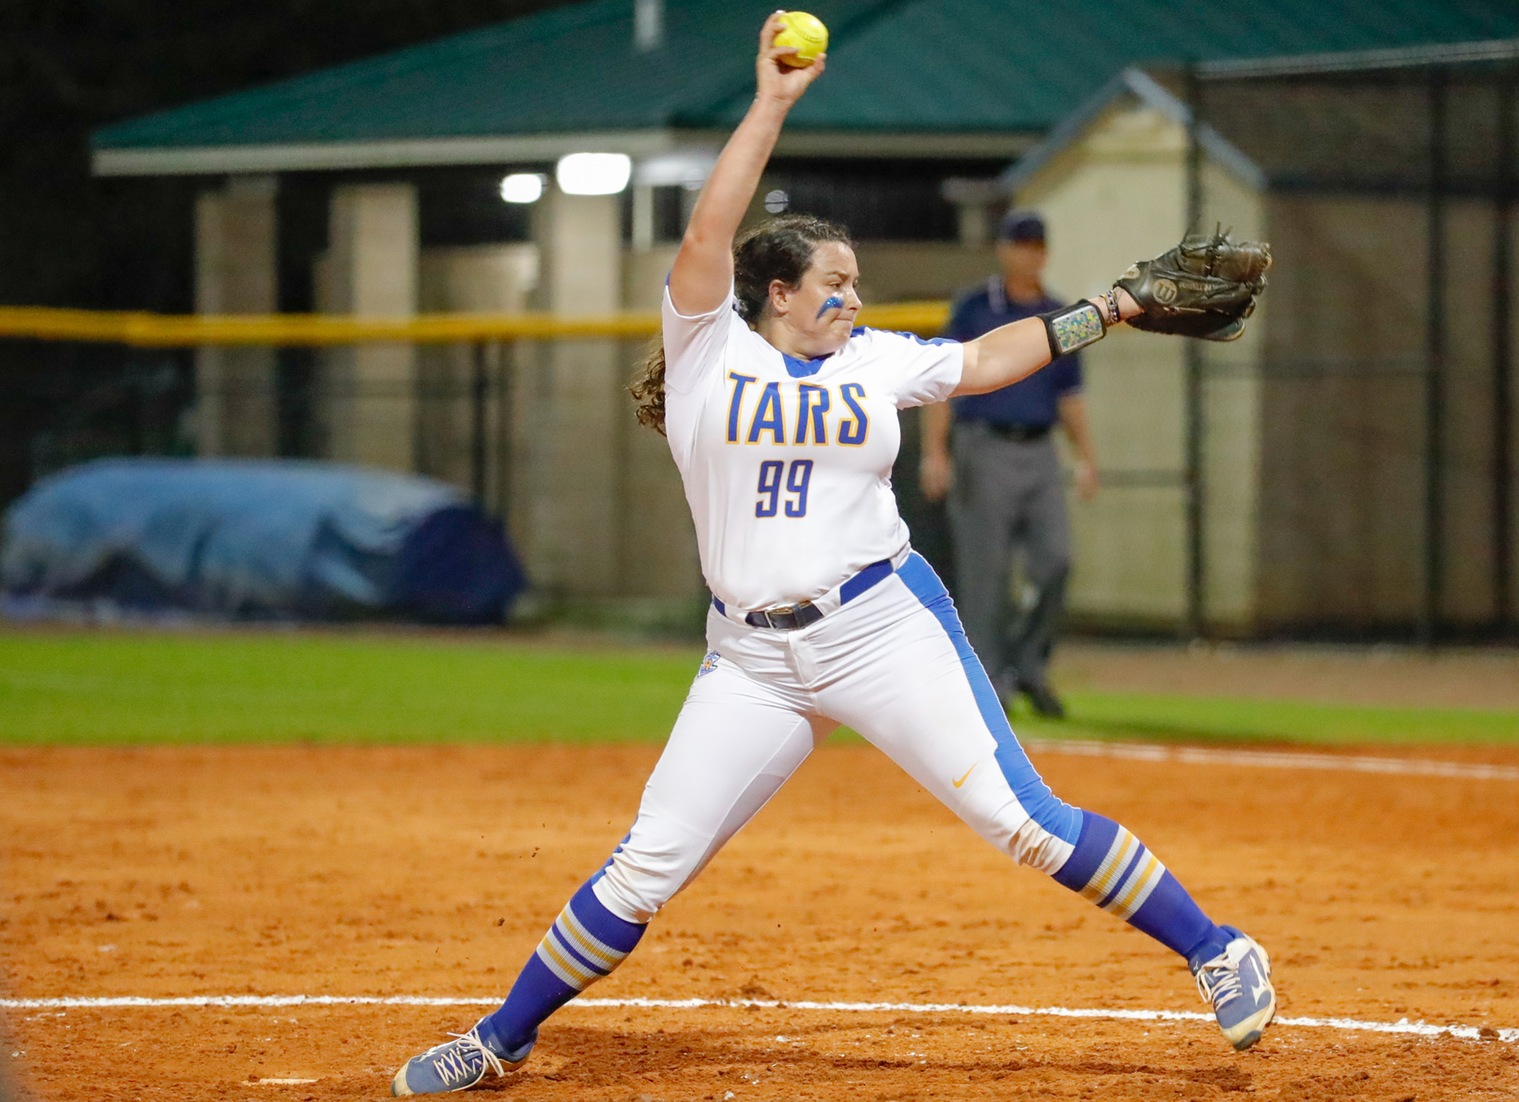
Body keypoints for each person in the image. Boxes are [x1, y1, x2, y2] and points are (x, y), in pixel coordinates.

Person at [385, 14, 1275, 1094]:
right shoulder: (707, 352)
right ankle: (501, 1039)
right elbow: (707, 236)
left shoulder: (875, 361)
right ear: (775, 293)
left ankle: (1217, 947)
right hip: (749, 659)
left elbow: (985, 361)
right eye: (833, 282)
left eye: (853, 282)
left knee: (1020, 821)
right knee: (649, 860)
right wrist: (770, 103)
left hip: (882, 627)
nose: (851, 296)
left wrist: (1112, 307)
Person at [921, 210, 1099, 718]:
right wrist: (937, 451)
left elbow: (1071, 394)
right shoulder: (976, 306)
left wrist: (1086, 457)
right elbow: (941, 385)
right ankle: (988, 681)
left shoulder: (1061, 312)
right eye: (1020, 244)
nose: (1029, 253)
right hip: (984, 446)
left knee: (1056, 561)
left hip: (1040, 449)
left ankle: (1028, 665)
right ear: (1003, 250)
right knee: (987, 574)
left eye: (1036, 245)